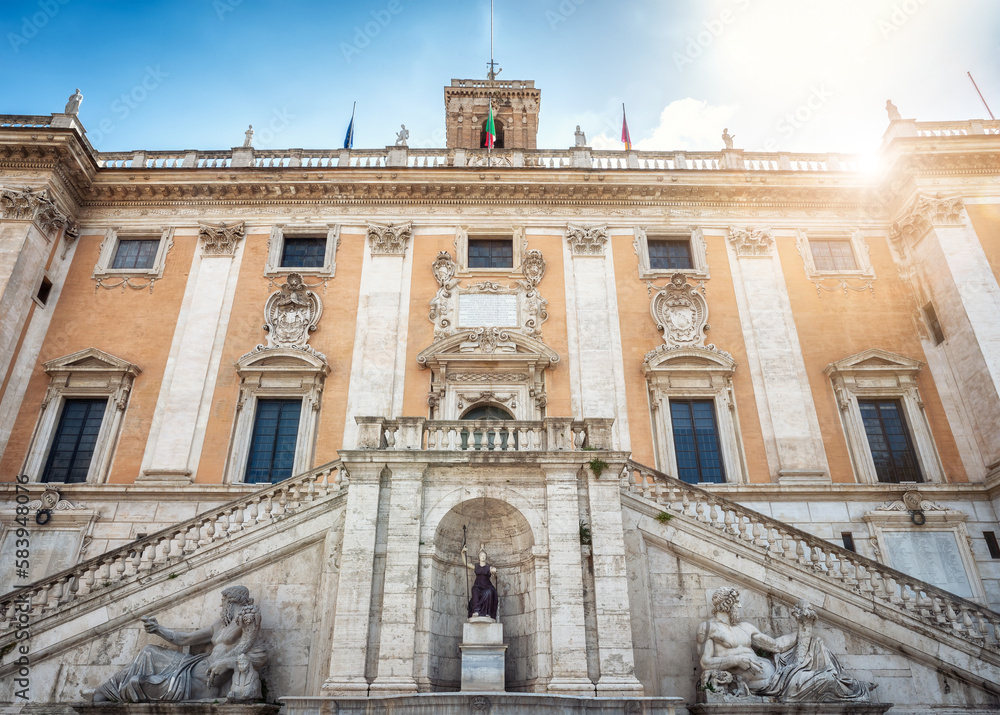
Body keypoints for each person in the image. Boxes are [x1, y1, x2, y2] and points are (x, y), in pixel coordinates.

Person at [698, 587, 874, 702]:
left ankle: (851, 687)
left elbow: (776, 646)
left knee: (816, 645)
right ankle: (854, 690)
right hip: (763, 684)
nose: (740, 606)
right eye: (737, 603)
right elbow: (706, 662)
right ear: (728, 605)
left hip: (780, 676)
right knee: (824, 679)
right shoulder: (708, 628)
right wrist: (736, 660)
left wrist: (803, 628)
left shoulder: (746, 627)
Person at [93, 585, 266, 703]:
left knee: (138, 682)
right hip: (191, 666)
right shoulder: (218, 625)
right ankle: (107, 690)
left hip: (202, 683)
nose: (221, 606)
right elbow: (185, 639)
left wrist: (227, 662)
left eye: (223, 602)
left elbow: (259, 655)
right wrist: (158, 629)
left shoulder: (247, 622)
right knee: (149, 651)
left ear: (231, 602)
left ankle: (114, 692)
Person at [462, 542, 499, 620]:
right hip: (477, 586)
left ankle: (487, 613)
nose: (483, 557)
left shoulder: (489, 567)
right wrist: (463, 552)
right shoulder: (476, 566)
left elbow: (495, 576)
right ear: (479, 557)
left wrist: (495, 572)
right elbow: (465, 564)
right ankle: (476, 611)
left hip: (487, 586)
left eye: (484, 556)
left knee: (488, 592)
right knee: (475, 591)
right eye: (481, 555)